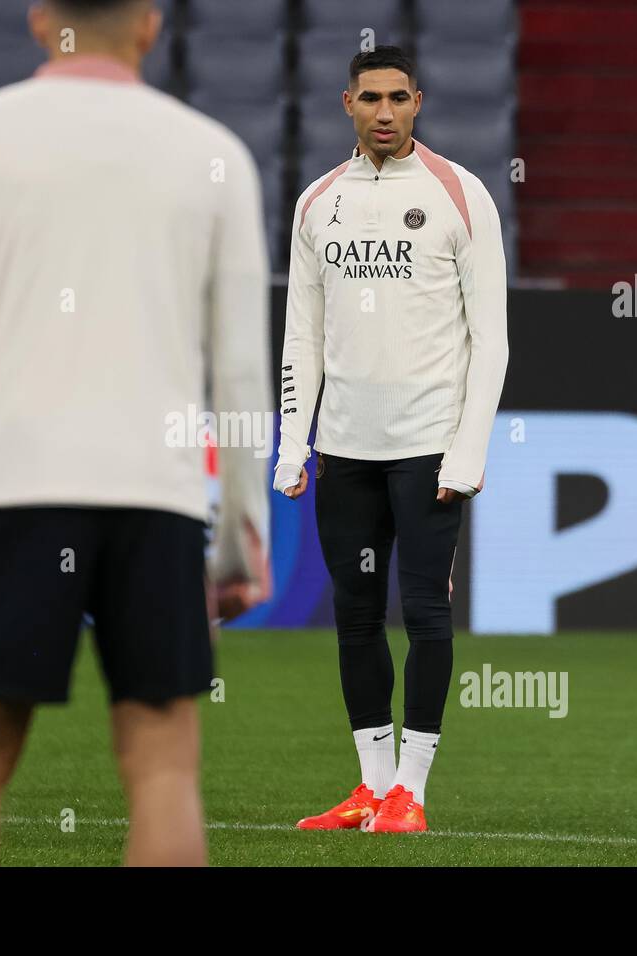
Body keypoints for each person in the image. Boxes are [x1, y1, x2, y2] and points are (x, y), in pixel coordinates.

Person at [0, 0, 271, 866]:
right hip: (157, 493)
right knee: (165, 768)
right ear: (149, 24)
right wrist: (245, 536)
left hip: (17, 487)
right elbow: (242, 369)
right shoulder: (215, 155)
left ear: (37, 18)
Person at [275, 47, 508, 833]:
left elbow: (493, 341)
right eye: (369, 97)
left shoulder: (460, 194)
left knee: (427, 618)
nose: (384, 111)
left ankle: (413, 790)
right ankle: (371, 788)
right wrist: (292, 443)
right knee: (354, 616)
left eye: (397, 98)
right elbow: (300, 338)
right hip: (344, 451)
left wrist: (467, 451)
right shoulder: (317, 203)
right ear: (346, 102)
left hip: (427, 448)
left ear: (418, 102)